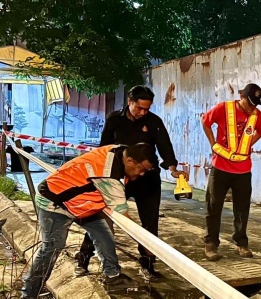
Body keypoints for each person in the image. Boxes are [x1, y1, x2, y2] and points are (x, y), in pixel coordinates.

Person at [17, 143, 158, 299]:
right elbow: (125, 220)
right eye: (141, 169)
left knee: (104, 234)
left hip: (82, 203)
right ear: (129, 160)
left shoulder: (119, 150)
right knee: (51, 249)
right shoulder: (109, 174)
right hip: (55, 203)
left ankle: (112, 275)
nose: (141, 174)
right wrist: (146, 245)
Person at [75, 85, 182, 280]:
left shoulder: (154, 121)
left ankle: (148, 264)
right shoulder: (115, 120)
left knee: (150, 222)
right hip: (117, 179)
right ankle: (83, 257)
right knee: (100, 218)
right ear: (130, 102)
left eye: (147, 109)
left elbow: (165, 146)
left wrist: (173, 168)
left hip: (146, 179)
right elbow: (104, 148)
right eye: (139, 108)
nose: (143, 112)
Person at [201, 83, 261, 260]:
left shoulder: (256, 115)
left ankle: (241, 243)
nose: (252, 107)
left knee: (242, 208)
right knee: (214, 206)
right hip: (220, 167)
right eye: (250, 103)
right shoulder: (224, 108)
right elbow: (205, 122)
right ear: (242, 97)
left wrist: (246, 145)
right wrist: (213, 143)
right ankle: (211, 243)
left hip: (243, 169)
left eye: (255, 104)